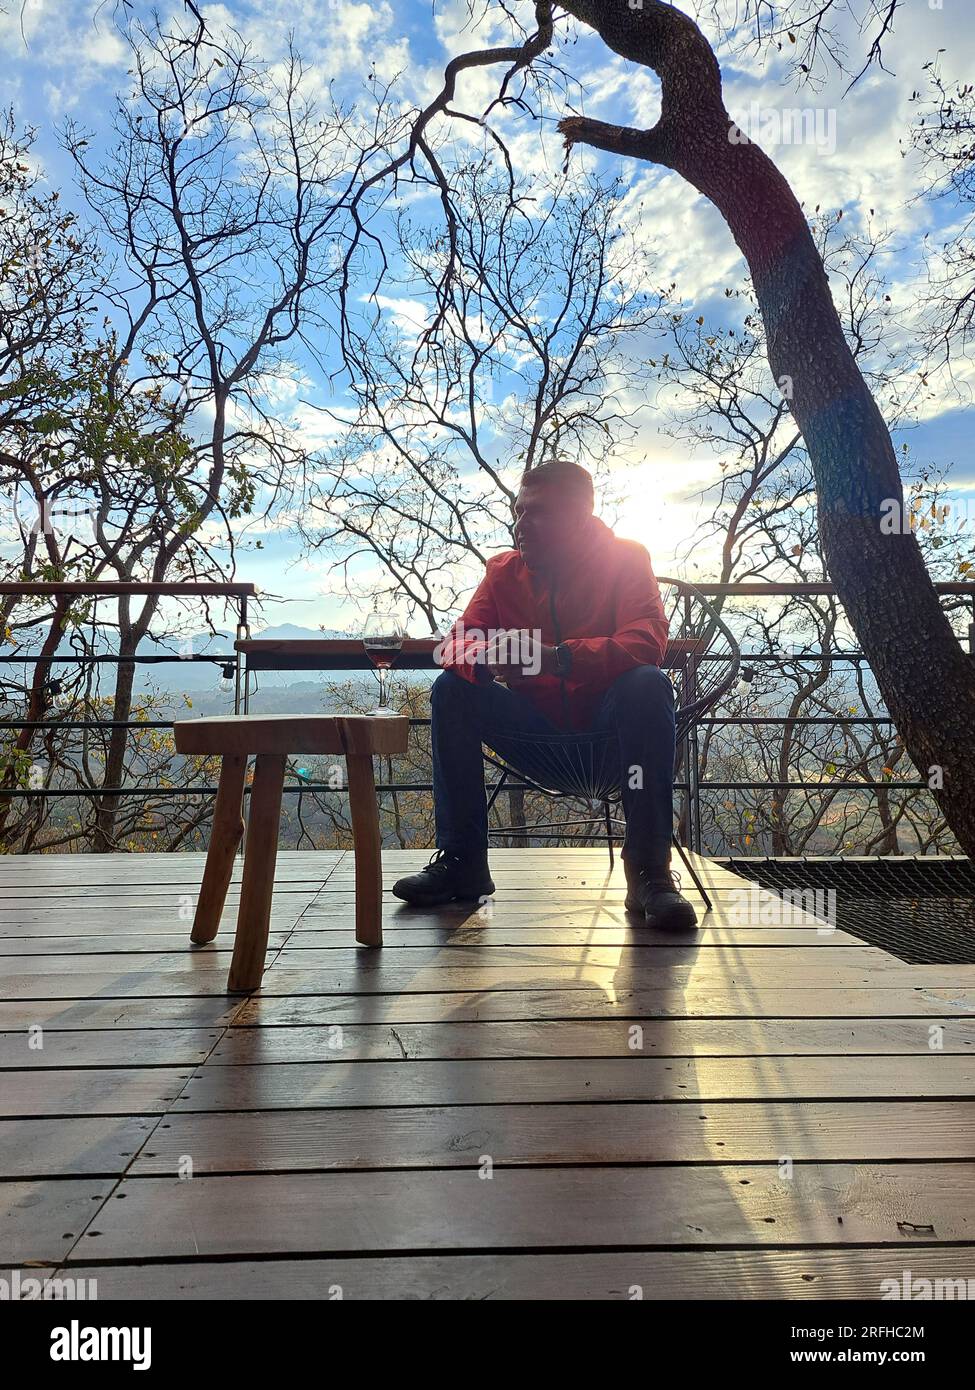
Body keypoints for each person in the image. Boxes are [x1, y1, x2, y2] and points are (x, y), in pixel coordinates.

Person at [392, 459, 696, 928]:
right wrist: (486, 658)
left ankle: (649, 874)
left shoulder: (627, 558)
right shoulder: (503, 572)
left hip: (611, 740)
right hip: (534, 737)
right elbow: (457, 643)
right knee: (451, 689)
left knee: (647, 682)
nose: (521, 524)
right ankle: (462, 864)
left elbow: (647, 641)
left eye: (537, 513)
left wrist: (558, 656)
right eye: (518, 511)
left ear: (578, 518)